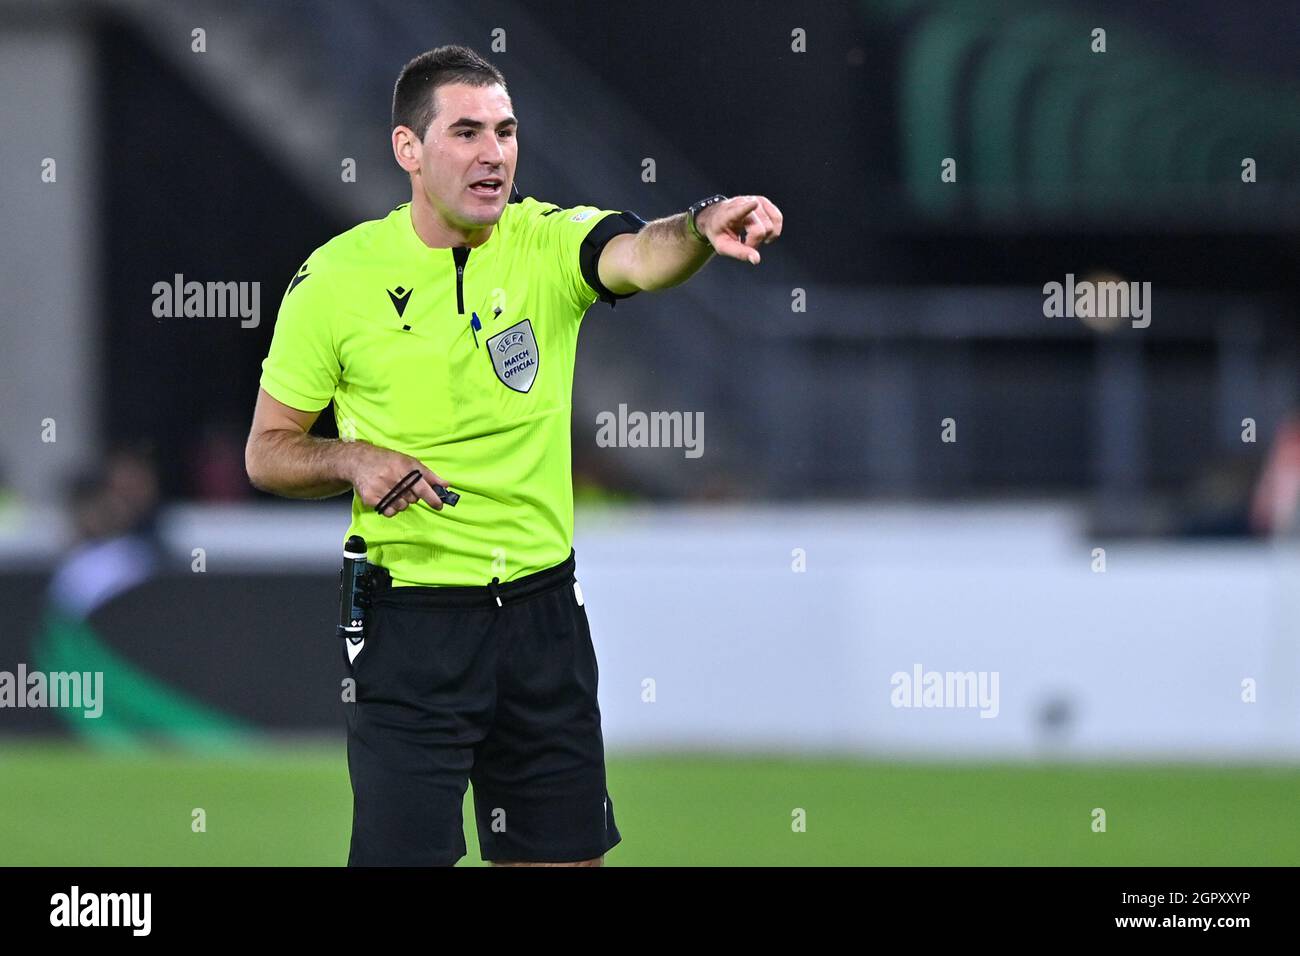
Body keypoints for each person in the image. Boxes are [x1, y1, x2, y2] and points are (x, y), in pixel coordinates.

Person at [243, 44, 782, 867]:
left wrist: (704, 225)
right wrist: (352, 460)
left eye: (506, 131)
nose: (494, 153)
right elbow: (268, 453)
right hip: (410, 625)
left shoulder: (547, 245)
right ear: (408, 151)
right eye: (466, 132)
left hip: (541, 622)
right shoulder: (336, 281)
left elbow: (643, 252)